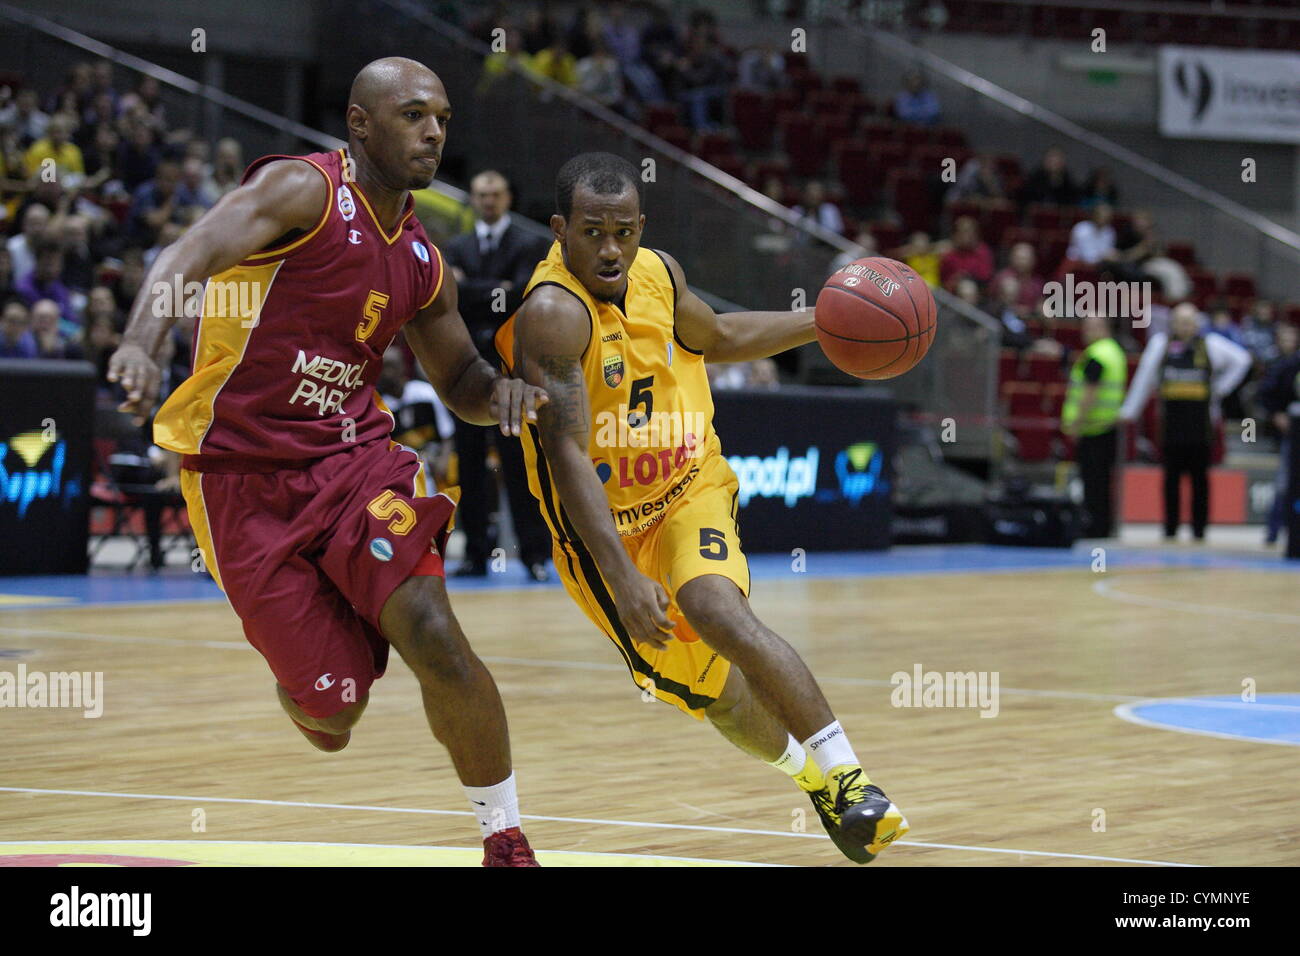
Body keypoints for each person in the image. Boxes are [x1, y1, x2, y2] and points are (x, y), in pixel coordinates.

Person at [105, 57, 545, 866]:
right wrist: (140, 340)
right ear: (359, 123)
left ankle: (505, 837)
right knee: (334, 717)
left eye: (442, 116)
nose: (434, 130)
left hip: (354, 463)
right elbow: (186, 254)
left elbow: (461, 380)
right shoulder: (303, 193)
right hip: (240, 474)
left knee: (435, 632)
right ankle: (316, 671)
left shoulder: (422, 258)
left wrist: (505, 397)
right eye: (413, 114)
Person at [494, 152, 908, 864]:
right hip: (606, 534)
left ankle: (847, 777)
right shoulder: (553, 315)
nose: (611, 248)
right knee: (715, 695)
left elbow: (714, 339)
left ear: (641, 226)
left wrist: (826, 320)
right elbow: (565, 457)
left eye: (624, 229)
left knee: (719, 608)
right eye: (593, 231)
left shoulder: (660, 272)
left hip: (690, 485)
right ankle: (809, 776)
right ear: (560, 230)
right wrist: (624, 581)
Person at [443, 170, 553, 580]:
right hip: (465, 366)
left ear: (507, 198)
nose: (488, 200)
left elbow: (520, 294)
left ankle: (534, 555)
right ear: (472, 199)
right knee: (468, 465)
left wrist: (474, 288)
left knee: (519, 463)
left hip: (513, 368)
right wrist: (496, 289)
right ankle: (475, 555)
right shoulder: (454, 246)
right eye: (481, 194)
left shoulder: (530, 244)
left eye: (495, 194)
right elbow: (451, 299)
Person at [1120, 302, 1252, 541]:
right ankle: (1170, 529)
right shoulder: (1161, 345)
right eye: (1180, 320)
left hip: (1200, 428)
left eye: (1190, 321)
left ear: (1197, 324)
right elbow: (1143, 379)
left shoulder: (1210, 345)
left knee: (1200, 481)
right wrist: (1129, 411)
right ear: (1173, 323)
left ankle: (1199, 530)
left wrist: (1220, 389)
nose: (1185, 326)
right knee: (1170, 480)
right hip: (1171, 427)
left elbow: (1243, 360)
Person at [1061, 314, 1127, 538]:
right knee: (1101, 481)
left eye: (1093, 326)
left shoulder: (1097, 355)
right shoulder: (1115, 352)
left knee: (1093, 483)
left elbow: (1089, 393)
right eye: (1086, 325)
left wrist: (1077, 424)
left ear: (1105, 327)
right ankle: (1103, 526)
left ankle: (1095, 528)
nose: (1087, 330)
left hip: (1093, 427)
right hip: (1107, 426)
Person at [1257, 322, 1299, 545]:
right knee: (1284, 483)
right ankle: (1273, 532)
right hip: (1293, 436)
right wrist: (1276, 414)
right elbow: (1265, 393)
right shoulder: (1286, 365)